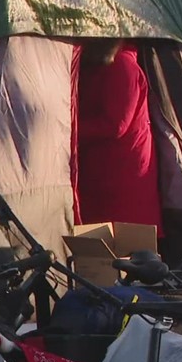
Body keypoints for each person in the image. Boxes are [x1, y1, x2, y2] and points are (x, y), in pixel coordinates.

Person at [75, 39, 164, 235]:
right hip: (101, 177)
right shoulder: (99, 66)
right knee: (97, 255)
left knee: (128, 253)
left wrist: (71, 130)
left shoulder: (123, 65)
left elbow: (116, 124)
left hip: (123, 178)